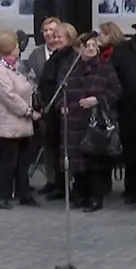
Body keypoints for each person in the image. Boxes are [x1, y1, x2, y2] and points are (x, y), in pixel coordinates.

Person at [60, 32, 122, 212]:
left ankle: (96, 197)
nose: (92, 49)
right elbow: (59, 89)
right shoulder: (68, 67)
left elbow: (116, 91)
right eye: (88, 45)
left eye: (95, 45)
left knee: (95, 160)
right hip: (74, 119)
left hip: (96, 120)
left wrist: (97, 99)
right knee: (77, 161)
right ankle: (80, 194)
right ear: (79, 48)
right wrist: (62, 105)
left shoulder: (105, 67)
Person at [0, 31, 41, 210]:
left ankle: (24, 193)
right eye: (16, 46)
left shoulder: (12, 67)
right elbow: (10, 97)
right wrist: (29, 112)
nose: (19, 48)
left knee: (22, 163)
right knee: (7, 163)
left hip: (19, 125)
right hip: (6, 126)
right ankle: (2, 196)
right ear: (9, 49)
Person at [109, 18, 136, 205]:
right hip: (128, 107)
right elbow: (112, 75)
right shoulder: (122, 50)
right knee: (130, 151)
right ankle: (132, 188)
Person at [37, 22, 80, 202]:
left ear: (69, 39)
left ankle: (64, 186)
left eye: (58, 37)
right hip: (49, 108)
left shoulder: (72, 58)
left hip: (64, 109)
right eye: (53, 36)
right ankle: (54, 182)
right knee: (52, 148)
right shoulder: (55, 56)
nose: (54, 39)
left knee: (64, 149)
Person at [28, 16, 63, 196]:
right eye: (46, 31)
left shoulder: (67, 52)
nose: (49, 34)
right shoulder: (36, 54)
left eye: (53, 30)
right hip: (44, 106)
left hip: (63, 105)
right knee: (48, 145)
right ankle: (51, 181)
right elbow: (32, 79)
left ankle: (64, 182)